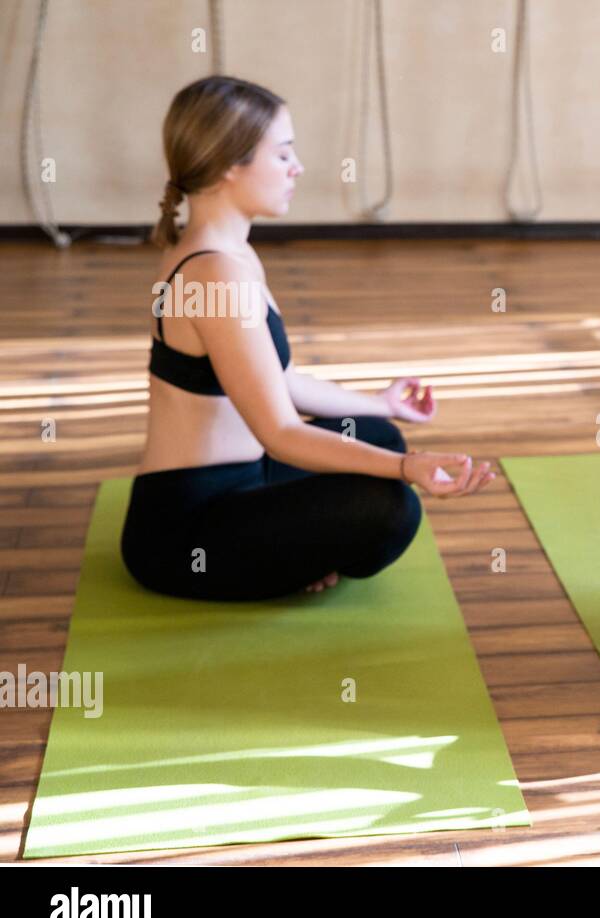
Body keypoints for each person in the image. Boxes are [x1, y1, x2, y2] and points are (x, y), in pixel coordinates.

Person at [121, 75, 494, 601]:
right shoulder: (214, 275)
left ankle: (292, 553)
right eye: (283, 155)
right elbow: (280, 430)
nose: (297, 168)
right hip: (186, 529)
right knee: (391, 508)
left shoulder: (225, 252)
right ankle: (285, 562)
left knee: (376, 432)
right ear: (231, 163)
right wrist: (410, 470)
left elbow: (281, 379)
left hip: (248, 475)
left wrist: (381, 403)